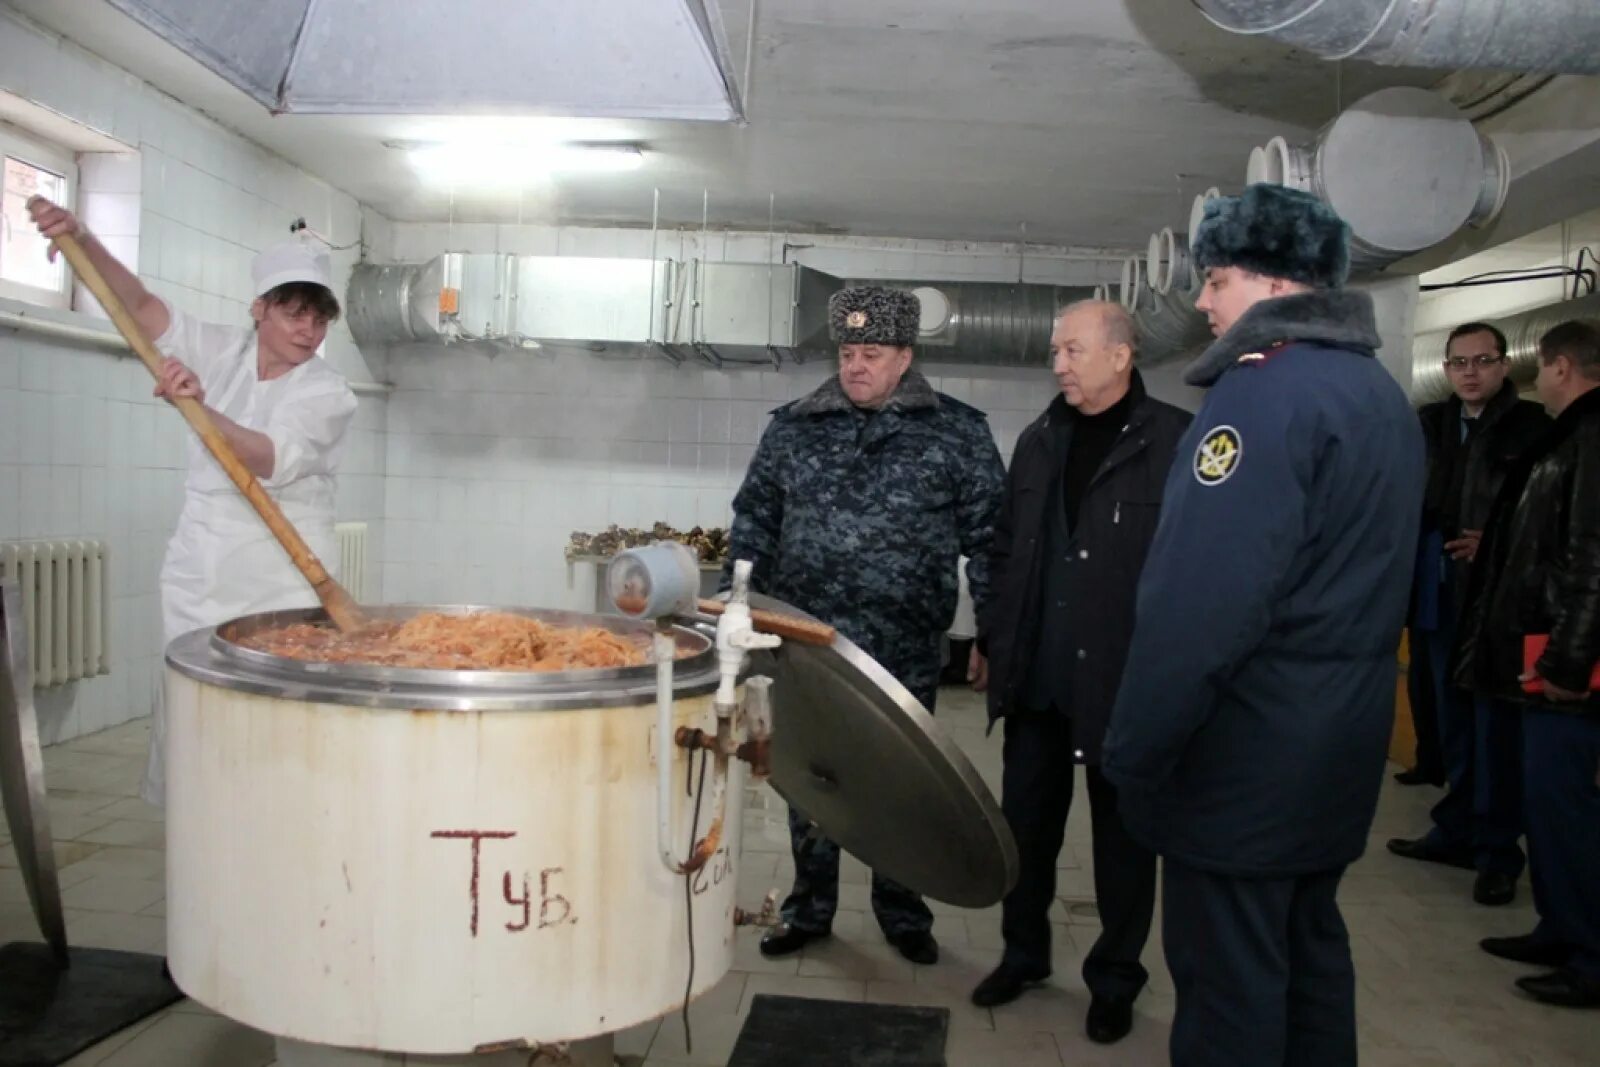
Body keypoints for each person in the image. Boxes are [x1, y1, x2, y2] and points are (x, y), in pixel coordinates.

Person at [1101, 183, 1424, 1067]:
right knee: (1307, 954)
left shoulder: (1261, 397)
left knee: (1228, 982)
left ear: (1277, 285)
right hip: (1338, 740)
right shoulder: (1379, 397)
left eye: (1218, 279)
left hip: (1248, 750)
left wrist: (1136, 747)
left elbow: (1201, 604)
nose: (1202, 301)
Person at [28, 197, 357, 808]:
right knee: (190, 716)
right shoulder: (224, 350)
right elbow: (143, 308)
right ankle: (195, 833)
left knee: (269, 728)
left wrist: (197, 407)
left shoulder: (328, 391)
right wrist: (83, 240)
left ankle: (274, 828)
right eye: (293, 314)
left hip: (281, 583)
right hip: (201, 575)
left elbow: (266, 457)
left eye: (319, 320)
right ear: (259, 309)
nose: (308, 331)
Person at [723, 284, 1006, 965]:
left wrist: (994, 634)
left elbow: (992, 541)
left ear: (905, 357)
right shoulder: (792, 427)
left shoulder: (957, 431)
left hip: (903, 643)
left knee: (901, 777)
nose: (855, 366)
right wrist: (741, 604)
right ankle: (810, 905)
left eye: (871, 353)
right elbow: (753, 523)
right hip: (804, 643)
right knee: (814, 774)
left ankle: (902, 908)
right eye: (848, 352)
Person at [969, 300, 1190, 1044]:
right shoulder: (1039, 438)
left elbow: (1195, 573)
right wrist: (994, 636)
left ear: (1121, 355)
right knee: (1024, 832)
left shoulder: (1176, 442)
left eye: (1071, 349)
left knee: (1124, 846)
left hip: (1124, 686)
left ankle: (1115, 979)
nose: (1056, 362)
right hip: (1038, 677)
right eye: (1055, 350)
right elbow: (1006, 547)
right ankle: (1023, 954)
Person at [1453, 319, 1600, 1009]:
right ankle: (1560, 926)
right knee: (1546, 800)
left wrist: (1570, 662)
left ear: (1564, 366)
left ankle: (1590, 954)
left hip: (1564, 664)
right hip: (1538, 649)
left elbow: (1590, 557)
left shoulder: (1590, 437)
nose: (1537, 378)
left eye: (1542, 366)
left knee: (1568, 803)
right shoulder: (1566, 434)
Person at [1387, 324, 1549, 905]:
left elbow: (1549, 517)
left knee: (1494, 727)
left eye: (1482, 361)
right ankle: (1455, 830)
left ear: (1506, 366)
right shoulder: (1431, 424)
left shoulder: (1531, 429)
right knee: (1449, 716)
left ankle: (1498, 851)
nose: (1470, 372)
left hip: (1498, 597)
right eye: (1459, 362)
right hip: (1436, 586)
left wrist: (1499, 541)